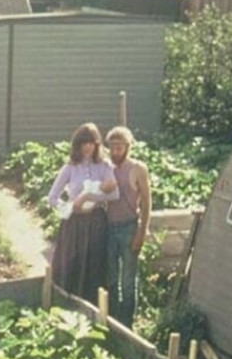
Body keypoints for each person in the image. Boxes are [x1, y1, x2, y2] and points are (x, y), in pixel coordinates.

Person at [46, 123, 119, 304]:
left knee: (94, 263)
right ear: (77, 145)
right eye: (83, 142)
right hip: (75, 224)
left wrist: (90, 196)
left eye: (91, 143)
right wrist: (70, 207)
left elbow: (115, 194)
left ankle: (93, 306)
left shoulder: (104, 166)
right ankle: (67, 302)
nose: (87, 147)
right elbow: (52, 197)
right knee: (72, 263)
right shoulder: (70, 167)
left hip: (96, 222)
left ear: (97, 145)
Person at [103, 126, 152, 327]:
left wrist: (142, 231)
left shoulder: (137, 169)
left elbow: (147, 202)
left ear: (128, 147)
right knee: (111, 278)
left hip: (129, 227)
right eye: (112, 147)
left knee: (128, 280)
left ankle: (127, 323)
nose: (116, 151)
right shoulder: (106, 167)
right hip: (109, 227)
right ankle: (113, 320)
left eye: (120, 147)